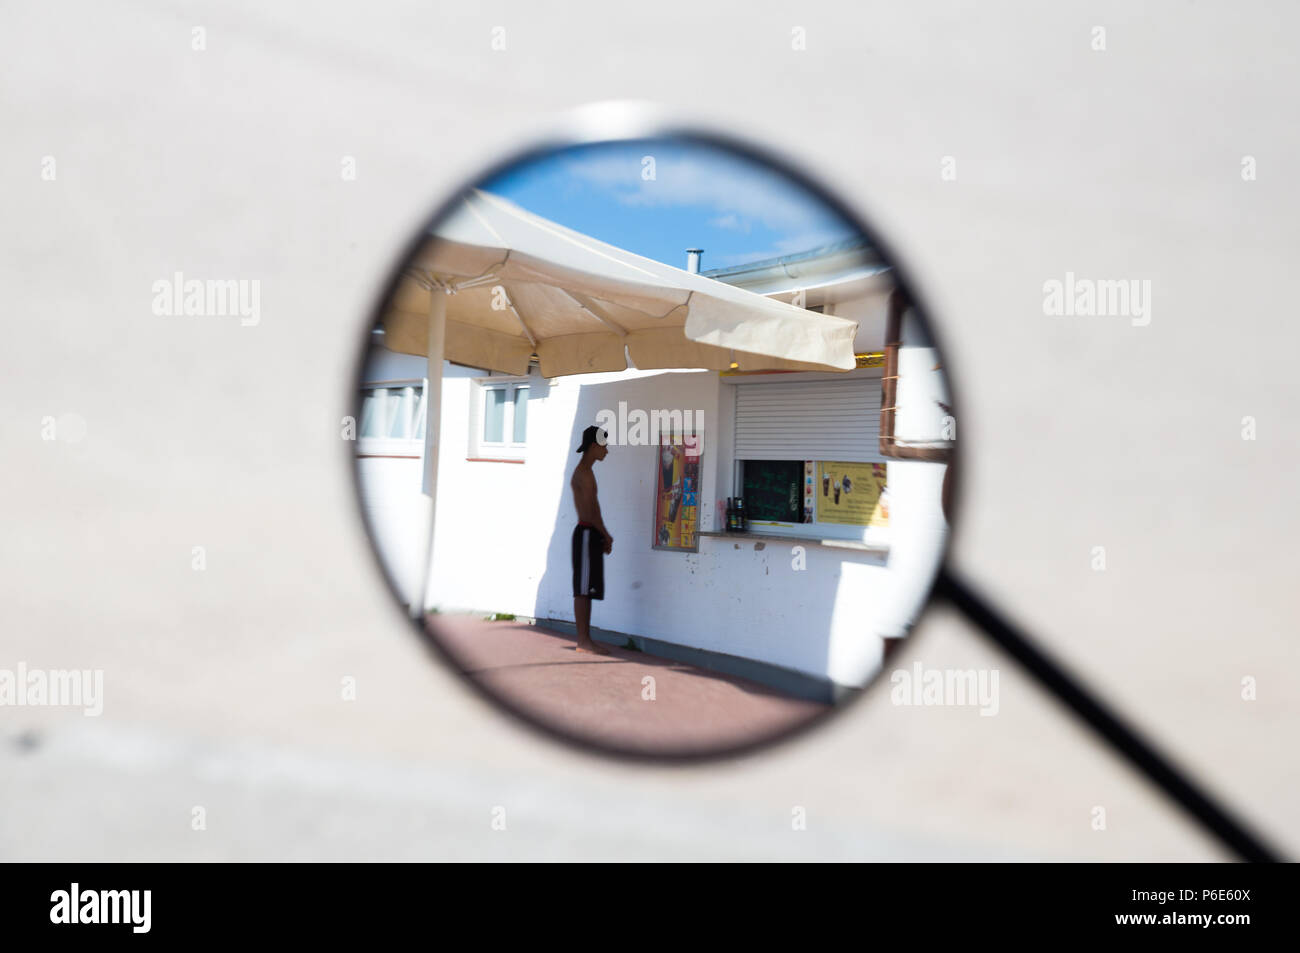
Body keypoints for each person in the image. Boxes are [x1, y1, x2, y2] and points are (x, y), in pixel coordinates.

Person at [570, 425, 613, 654]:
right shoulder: (584, 473)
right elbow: (591, 511)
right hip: (586, 533)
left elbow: (593, 510)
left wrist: (602, 534)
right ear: (594, 446)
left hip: (589, 533)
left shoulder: (587, 471)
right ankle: (583, 641)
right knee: (583, 589)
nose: (607, 450)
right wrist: (605, 534)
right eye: (605, 445)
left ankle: (585, 640)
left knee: (586, 588)